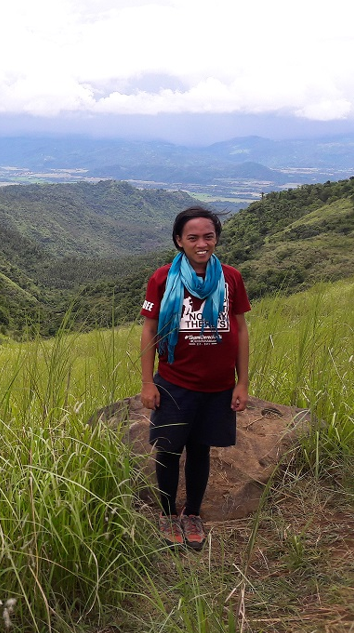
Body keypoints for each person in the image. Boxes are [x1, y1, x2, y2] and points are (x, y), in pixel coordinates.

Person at [139, 207, 250, 550]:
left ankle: (193, 513)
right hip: (175, 383)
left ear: (216, 239)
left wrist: (242, 382)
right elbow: (150, 330)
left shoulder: (231, 278)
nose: (202, 243)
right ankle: (168, 514)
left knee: (201, 450)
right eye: (193, 237)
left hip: (218, 386)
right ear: (179, 241)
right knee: (169, 450)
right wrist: (147, 382)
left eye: (208, 236)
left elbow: (241, 330)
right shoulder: (162, 278)